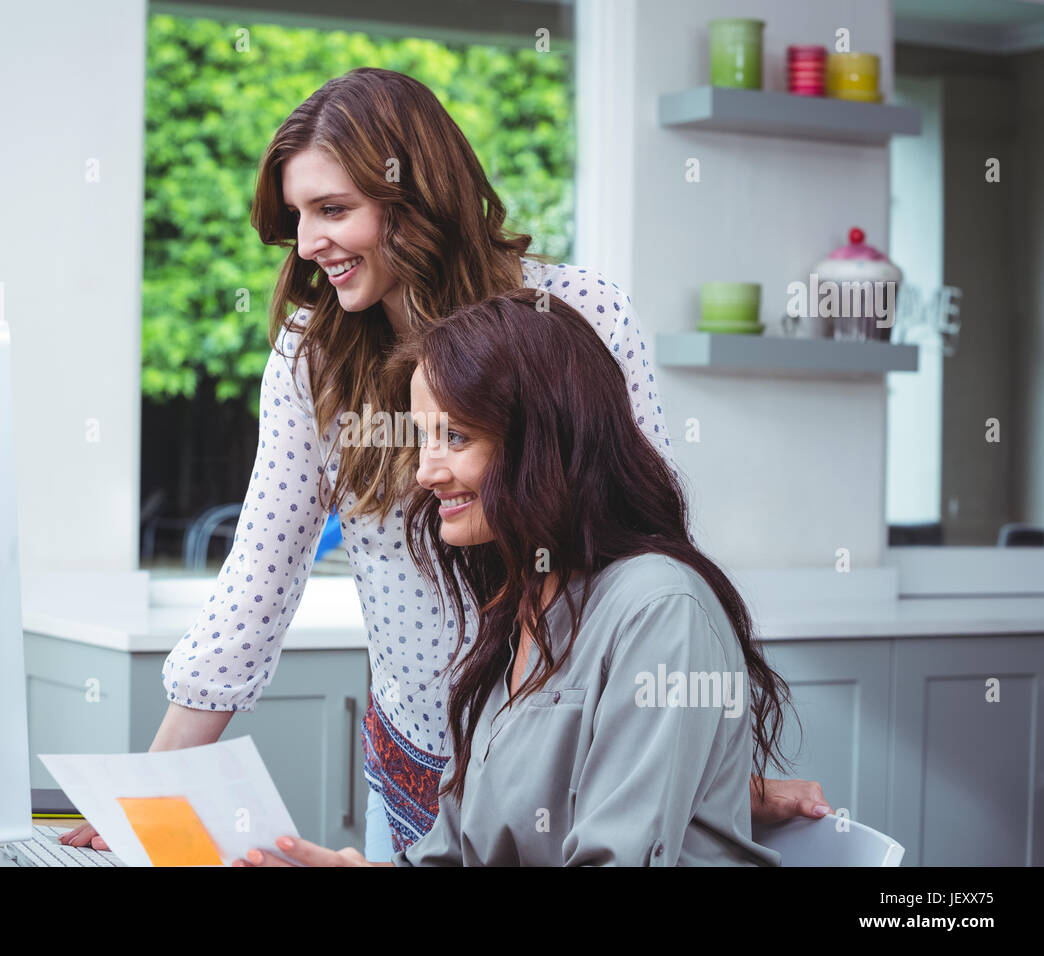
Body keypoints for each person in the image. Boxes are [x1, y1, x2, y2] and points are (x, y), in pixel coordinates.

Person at [63, 67, 831, 859]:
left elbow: (645, 543)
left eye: (334, 210)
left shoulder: (576, 316)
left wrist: (687, 755)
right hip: (432, 760)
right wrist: (146, 797)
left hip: (578, 749)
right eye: (297, 215)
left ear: (415, 198)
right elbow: (255, 586)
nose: (306, 243)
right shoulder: (314, 361)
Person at [235, 289, 791, 866]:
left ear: (543, 439)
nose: (425, 472)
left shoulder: (660, 609)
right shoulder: (519, 608)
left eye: (455, 438)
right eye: (424, 438)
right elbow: (461, 856)